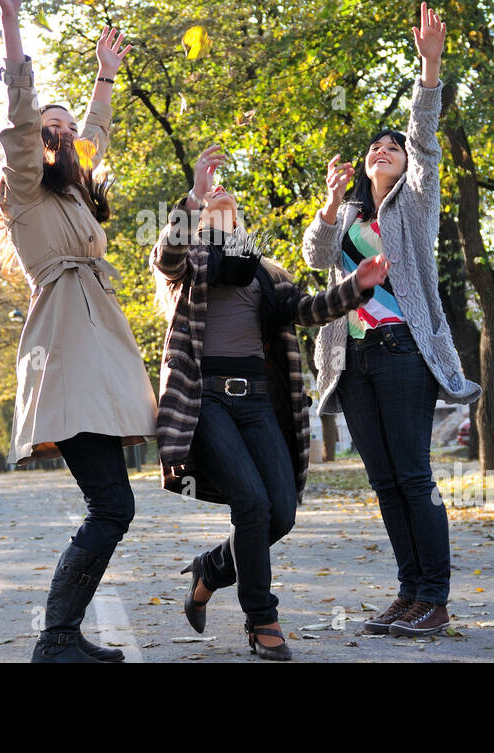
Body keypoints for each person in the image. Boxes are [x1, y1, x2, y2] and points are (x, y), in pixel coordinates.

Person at [0, 0, 157, 663]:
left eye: (64, 129)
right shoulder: (25, 188)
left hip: (97, 347)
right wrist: (10, 18)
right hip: (66, 351)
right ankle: (56, 639)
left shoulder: (77, 193)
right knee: (112, 505)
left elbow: (98, 135)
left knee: (112, 504)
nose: (59, 133)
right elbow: (21, 118)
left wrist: (105, 79)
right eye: (51, 130)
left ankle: (60, 637)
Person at [150, 149, 390, 660]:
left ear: (238, 221)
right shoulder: (185, 267)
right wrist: (194, 195)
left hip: (259, 403)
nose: (218, 206)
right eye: (210, 204)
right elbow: (167, 252)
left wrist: (356, 287)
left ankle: (211, 569)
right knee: (252, 503)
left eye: (225, 204)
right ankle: (263, 620)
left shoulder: (266, 273)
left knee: (280, 513)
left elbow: (306, 310)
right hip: (206, 401)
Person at [303, 2, 481, 637]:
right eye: (375, 146)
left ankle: (435, 597)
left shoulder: (414, 207)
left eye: (392, 146)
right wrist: (327, 204)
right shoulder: (349, 220)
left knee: (413, 475)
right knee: (383, 481)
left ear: (405, 165)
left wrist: (429, 68)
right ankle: (408, 594)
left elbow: (425, 137)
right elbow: (317, 257)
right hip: (353, 365)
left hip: (404, 353)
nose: (384, 149)